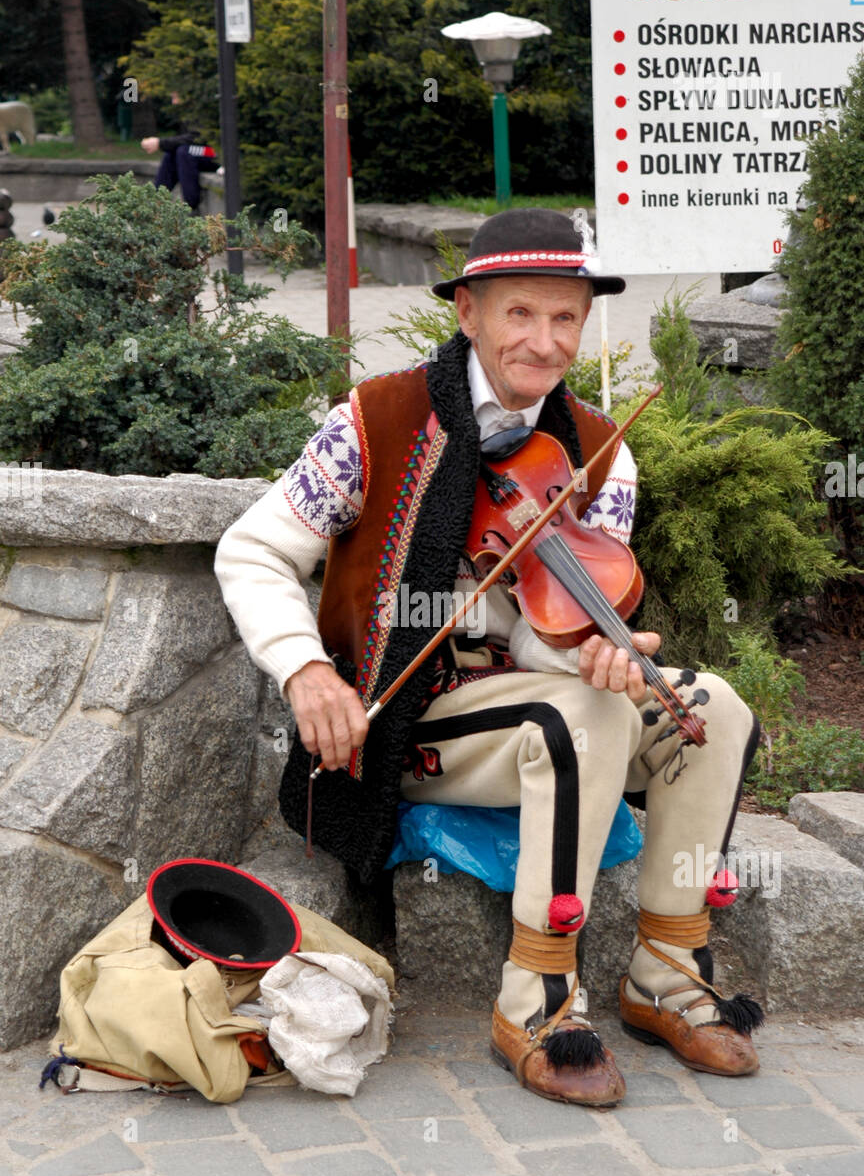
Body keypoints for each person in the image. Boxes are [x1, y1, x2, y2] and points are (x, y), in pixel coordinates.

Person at [214, 208, 763, 1107]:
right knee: (579, 714)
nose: (545, 343)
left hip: (542, 708)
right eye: (521, 314)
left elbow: (544, 640)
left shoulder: (599, 454)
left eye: (565, 319)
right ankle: (537, 1000)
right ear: (467, 311)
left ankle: (666, 969)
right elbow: (253, 551)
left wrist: (597, 655)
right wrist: (305, 669)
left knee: (716, 709)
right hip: (409, 729)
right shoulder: (376, 419)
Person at [141, 94, 219, 212]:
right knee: (172, 153)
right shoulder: (188, 112)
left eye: (175, 97)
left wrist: (160, 143)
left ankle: (190, 207)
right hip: (203, 151)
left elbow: (197, 137)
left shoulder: (202, 108)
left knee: (184, 152)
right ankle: (154, 202)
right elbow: (185, 138)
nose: (174, 103)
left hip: (215, 152)